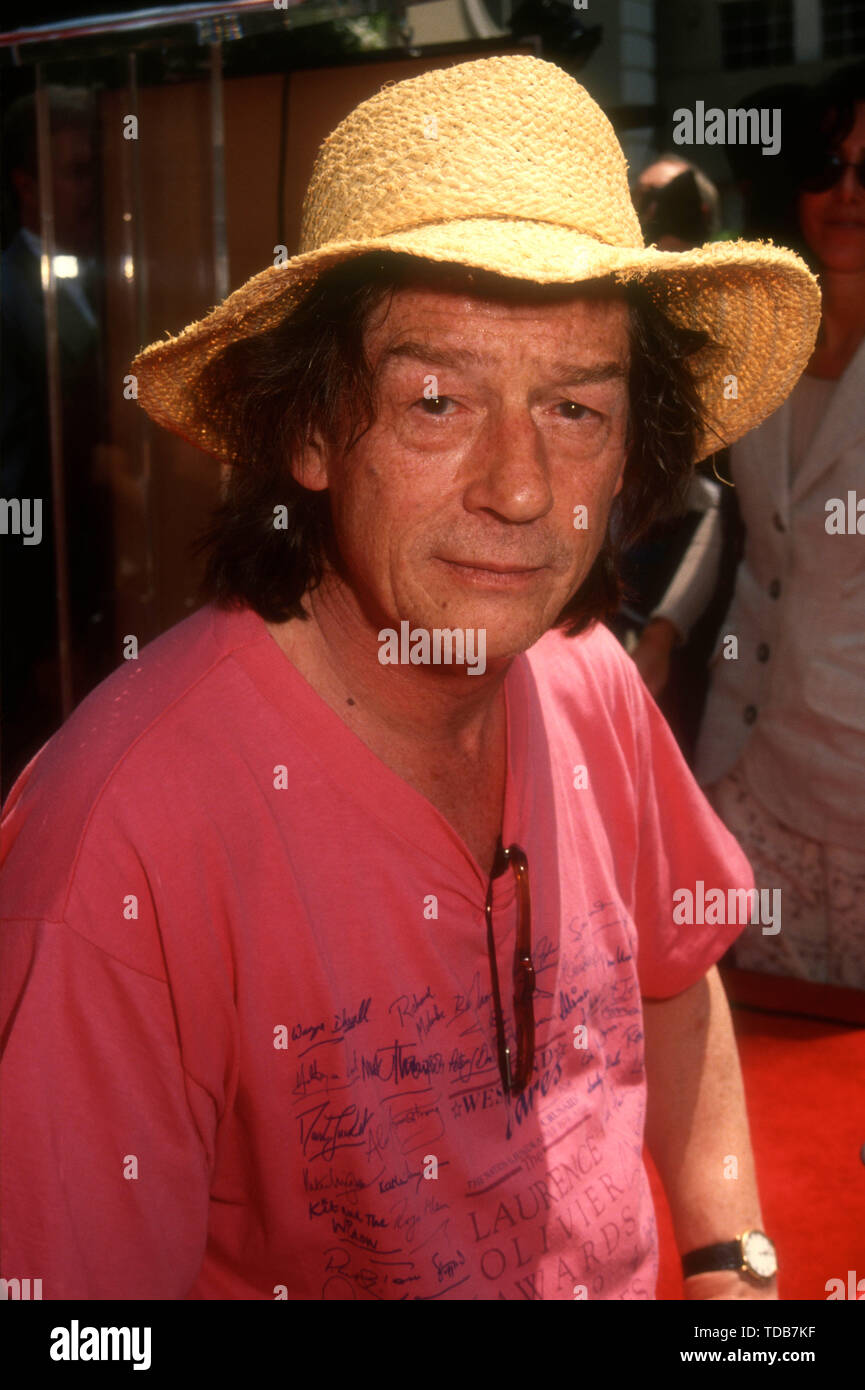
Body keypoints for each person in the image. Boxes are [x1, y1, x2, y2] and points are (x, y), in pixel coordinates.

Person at [0, 55, 819, 1301]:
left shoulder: (589, 682)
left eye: (575, 410)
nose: (521, 487)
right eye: (437, 399)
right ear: (313, 430)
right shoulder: (121, 842)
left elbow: (674, 967)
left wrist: (727, 1266)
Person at [634, 63, 865, 990]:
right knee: (767, 1053)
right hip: (744, 768)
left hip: (854, 788)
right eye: (825, 166)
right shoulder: (759, 347)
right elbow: (732, 515)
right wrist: (660, 631)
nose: (847, 192)